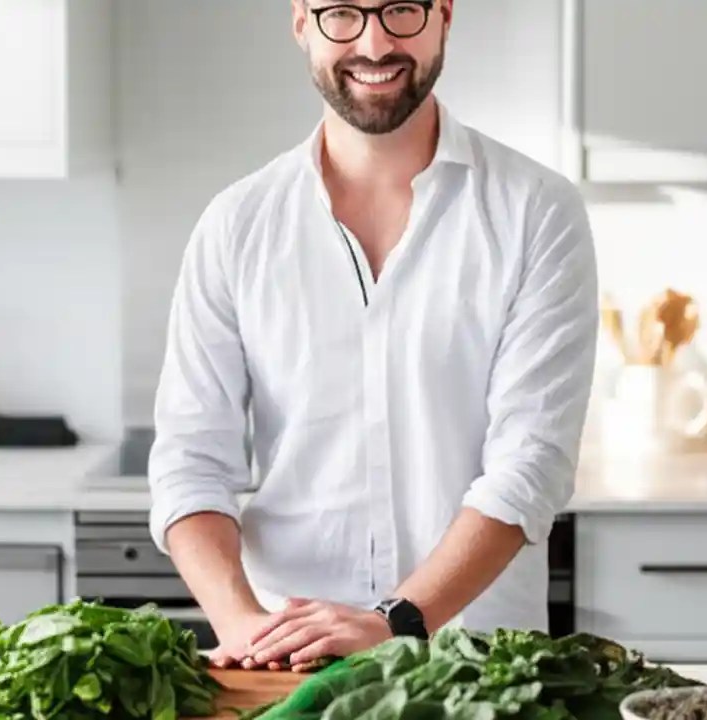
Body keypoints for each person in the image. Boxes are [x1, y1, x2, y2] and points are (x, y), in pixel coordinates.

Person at [147, 0, 598, 672]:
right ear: (302, 20)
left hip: (478, 665)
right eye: (342, 14)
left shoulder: (537, 212)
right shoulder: (236, 225)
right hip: (288, 662)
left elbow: (530, 464)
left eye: (401, 9)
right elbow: (190, 463)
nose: (376, 43)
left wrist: (397, 622)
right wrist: (242, 627)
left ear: (445, 13)